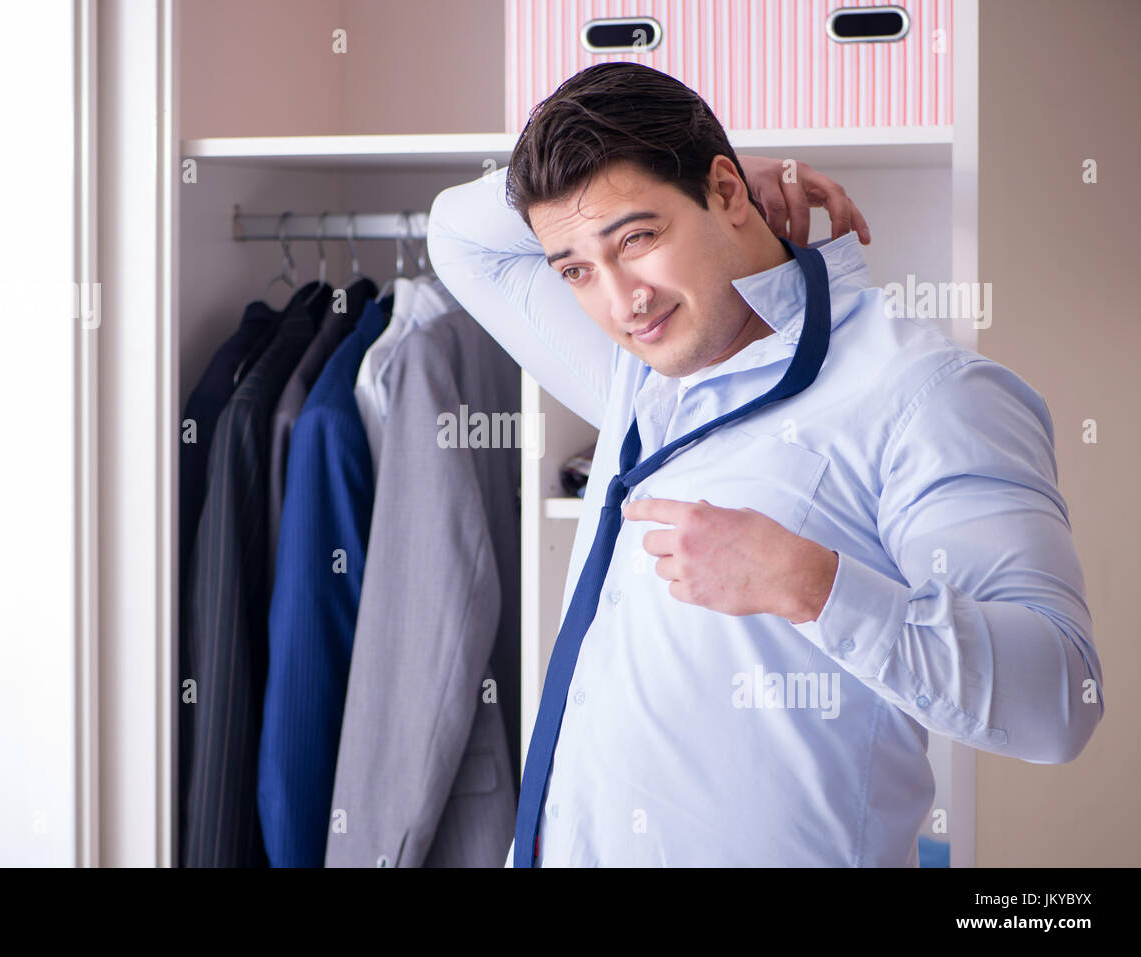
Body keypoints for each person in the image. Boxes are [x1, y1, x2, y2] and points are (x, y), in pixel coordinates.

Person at [425, 62, 1103, 867]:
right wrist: (689, 174)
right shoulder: (638, 374)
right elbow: (458, 233)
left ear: (723, 195)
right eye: (575, 269)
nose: (620, 300)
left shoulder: (923, 394)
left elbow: (1063, 699)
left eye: (638, 238)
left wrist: (813, 586)